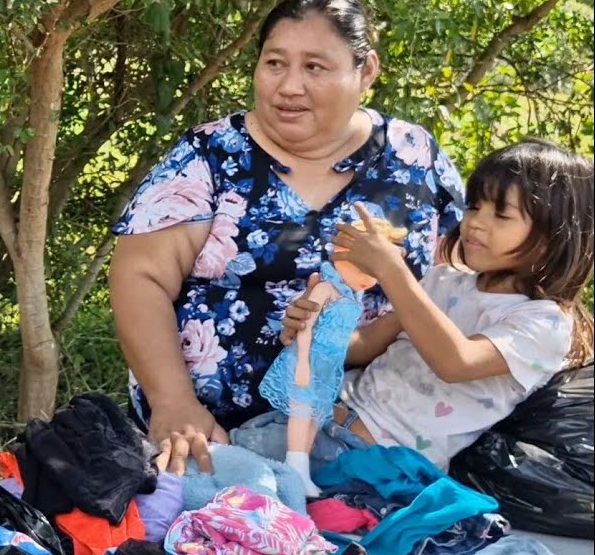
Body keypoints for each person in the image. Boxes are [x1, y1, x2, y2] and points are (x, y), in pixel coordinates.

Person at [109, 0, 466, 473]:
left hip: (376, 430)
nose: (289, 86)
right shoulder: (210, 157)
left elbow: (463, 268)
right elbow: (139, 277)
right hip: (211, 436)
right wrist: (173, 402)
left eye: (315, 67)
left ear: (367, 72)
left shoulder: (413, 156)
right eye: (275, 63)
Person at [237, 139, 594, 472]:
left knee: (219, 475)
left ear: (554, 237)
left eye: (501, 215)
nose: (475, 223)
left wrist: (392, 270)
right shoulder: (443, 282)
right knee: (214, 466)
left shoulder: (544, 323)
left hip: (375, 459)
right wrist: (314, 328)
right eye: (474, 206)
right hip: (318, 417)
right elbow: (365, 346)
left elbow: (456, 362)